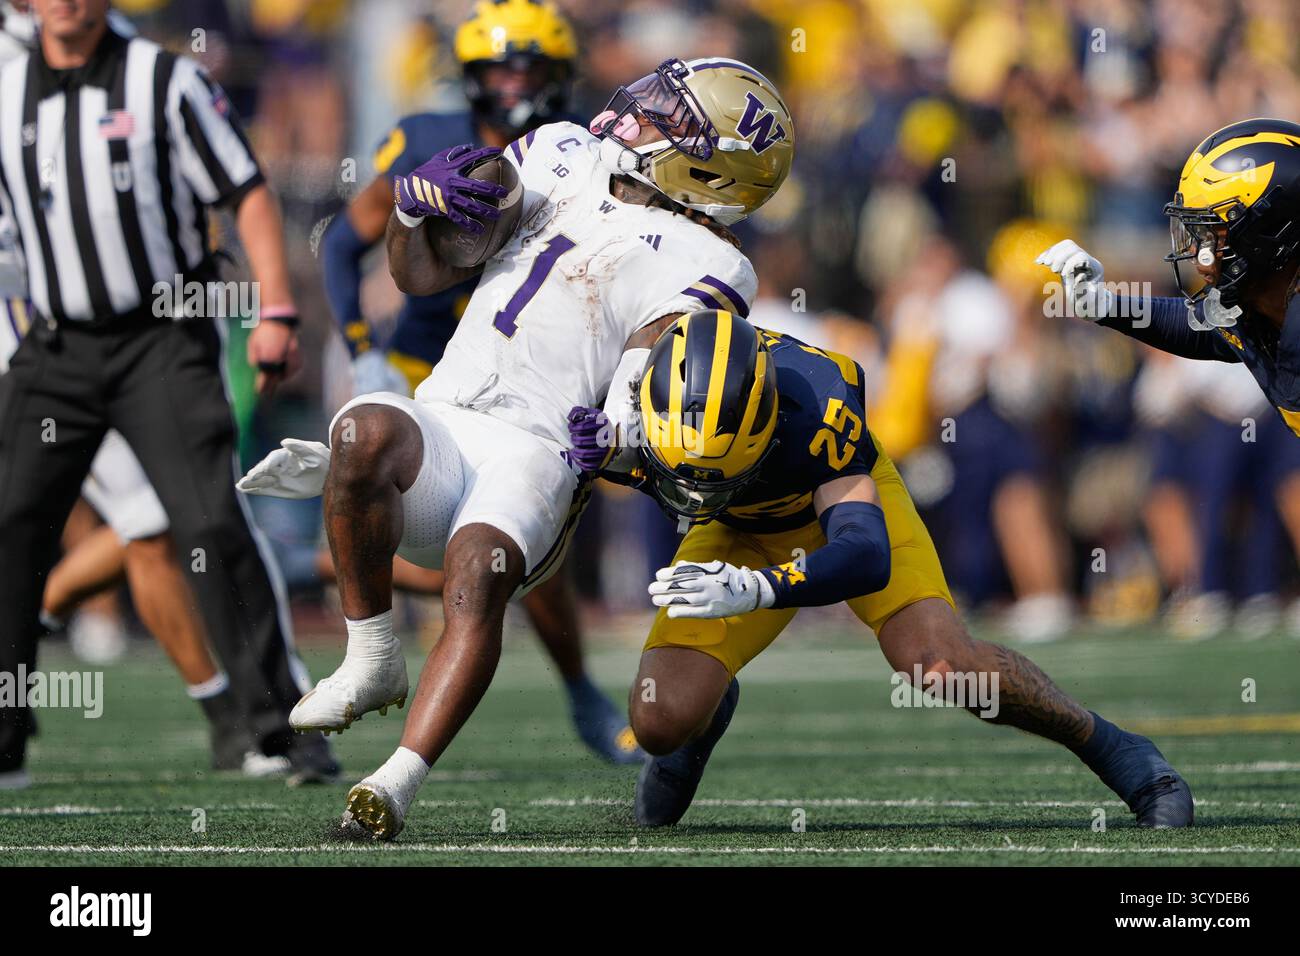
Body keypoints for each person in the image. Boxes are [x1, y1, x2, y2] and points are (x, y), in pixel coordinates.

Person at [240, 56, 794, 839]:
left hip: (538, 451)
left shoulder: (713, 264)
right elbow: (424, 276)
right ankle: (372, 656)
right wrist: (411, 213)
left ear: (707, 165)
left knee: (477, 568)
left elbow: (645, 394)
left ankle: (395, 784)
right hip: (447, 415)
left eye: (669, 117)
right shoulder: (562, 150)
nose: (637, 112)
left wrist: (618, 433)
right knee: (362, 429)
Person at [566, 310, 1194, 829]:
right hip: (730, 526)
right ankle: (698, 723)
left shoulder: (819, 406)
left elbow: (863, 553)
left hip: (826, 513)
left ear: (766, 417)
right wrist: (612, 458)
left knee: (939, 664)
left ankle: (1115, 749)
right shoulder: (632, 390)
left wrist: (759, 587)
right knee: (657, 722)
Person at [0, 0, 335, 787]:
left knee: (210, 521)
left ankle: (280, 724)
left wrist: (275, 308)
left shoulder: (165, 81)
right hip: (55, 345)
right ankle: (4, 733)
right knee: (12, 523)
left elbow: (245, 191)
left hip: (162, 339)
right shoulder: (8, 90)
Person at [316, 0, 637, 764]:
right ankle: (366, 649)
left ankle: (579, 691)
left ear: (562, 74)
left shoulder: (584, 149)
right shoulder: (430, 136)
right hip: (436, 372)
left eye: (533, 64)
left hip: (535, 383)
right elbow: (342, 241)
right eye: (502, 64)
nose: (517, 79)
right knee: (416, 534)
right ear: (470, 73)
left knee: (519, 553)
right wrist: (362, 347)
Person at [1036, 118, 1300, 435]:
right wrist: (1106, 306)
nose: (1197, 251)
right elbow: (1203, 328)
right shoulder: (1269, 301)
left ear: (1269, 228)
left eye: (1209, 232)